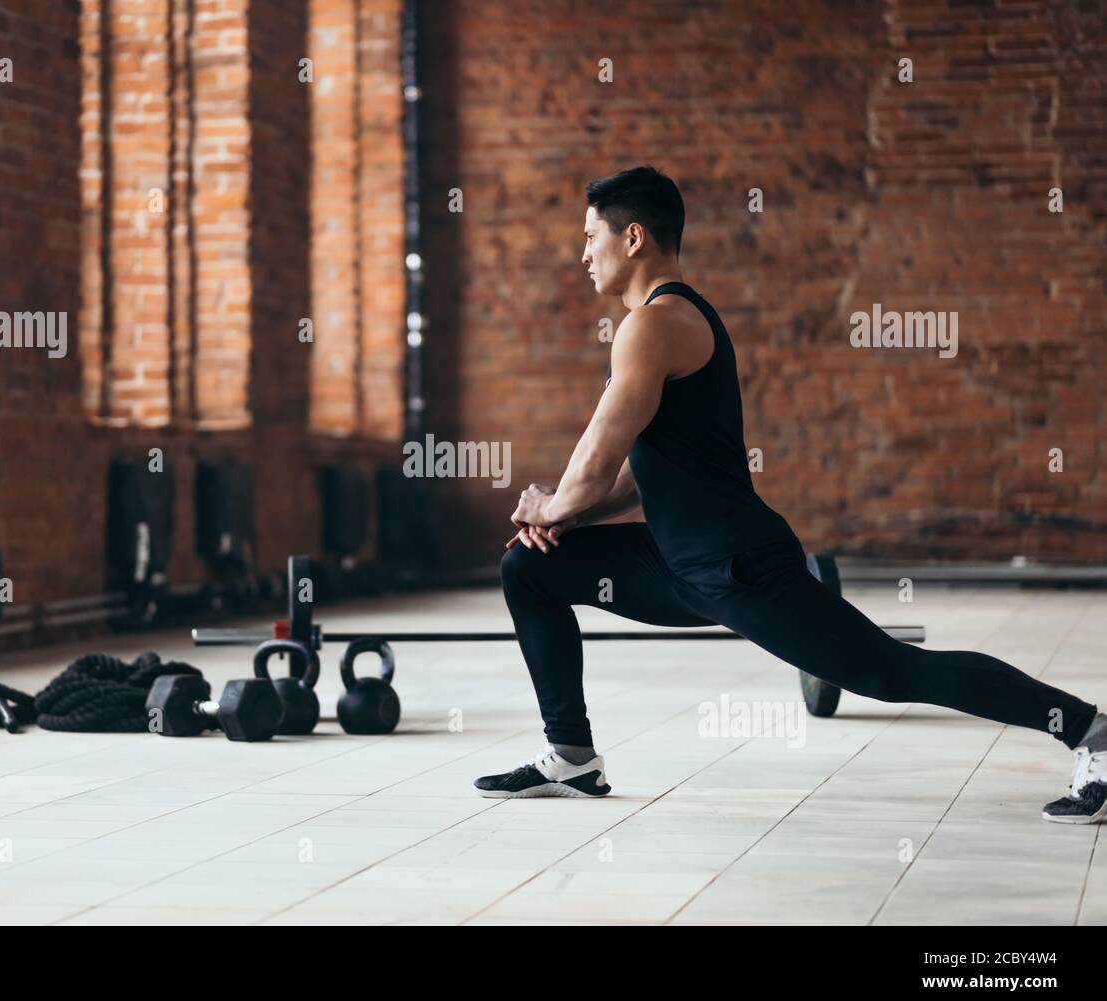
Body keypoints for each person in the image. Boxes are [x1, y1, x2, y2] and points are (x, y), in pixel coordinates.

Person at [474, 165, 1107, 823]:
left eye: (589, 237)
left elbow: (595, 462)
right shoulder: (654, 325)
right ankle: (572, 756)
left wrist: (550, 505)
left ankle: (1093, 733)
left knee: (891, 674)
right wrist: (564, 523)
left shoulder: (656, 324)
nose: (582, 254)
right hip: (677, 560)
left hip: (738, 565)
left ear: (632, 237)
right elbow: (634, 472)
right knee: (530, 566)